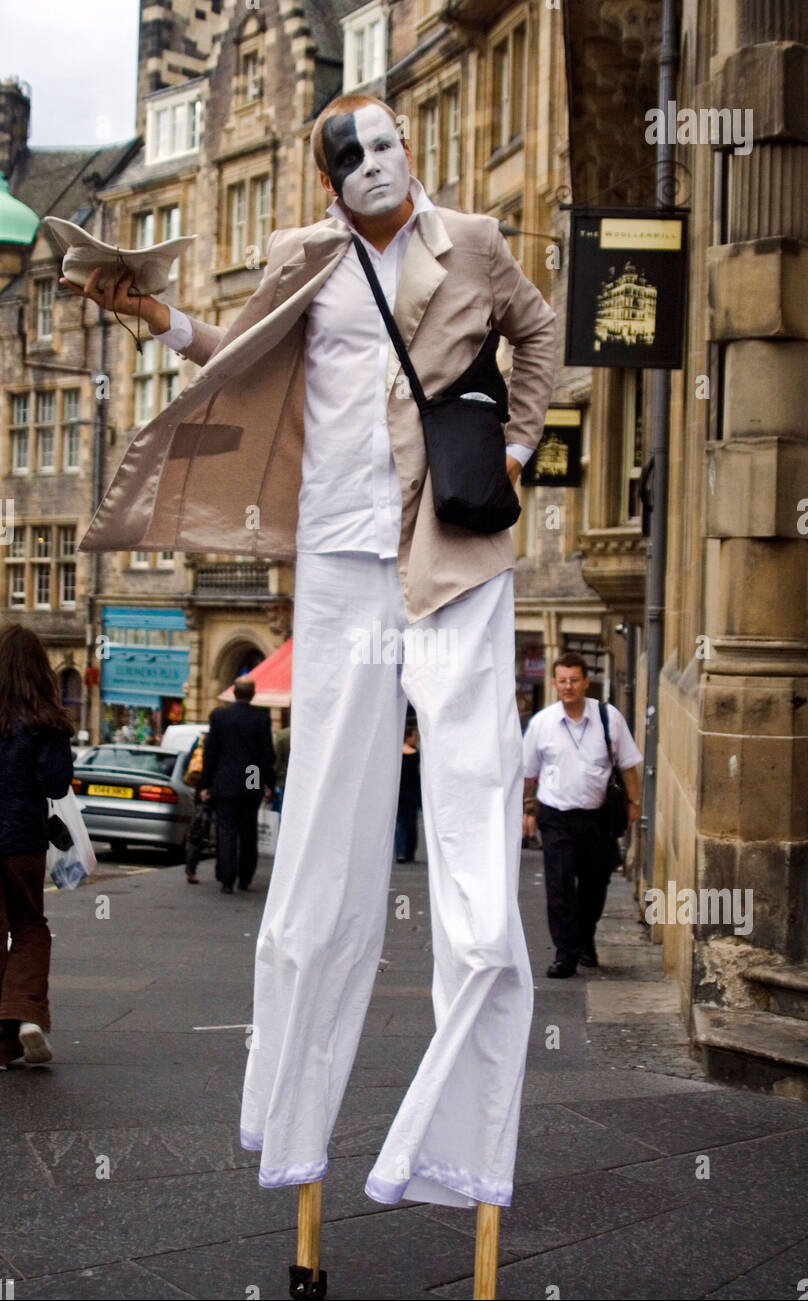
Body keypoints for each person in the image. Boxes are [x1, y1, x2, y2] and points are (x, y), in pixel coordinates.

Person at [69, 92, 556, 1211]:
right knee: (316, 853)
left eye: (385, 142)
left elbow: (536, 334)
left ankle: (457, 1151)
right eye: (349, 154)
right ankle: (293, 1128)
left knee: (476, 839)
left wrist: (519, 441)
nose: (374, 164)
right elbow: (230, 352)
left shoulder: (472, 243)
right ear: (326, 182)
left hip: (454, 548)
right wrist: (153, 314)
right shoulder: (303, 256)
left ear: (409, 150)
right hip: (337, 560)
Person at [522, 651, 643, 978]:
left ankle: (584, 936)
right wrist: (527, 810)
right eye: (562, 681)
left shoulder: (608, 717)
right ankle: (566, 955)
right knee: (559, 886)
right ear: (554, 683)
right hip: (555, 815)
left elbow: (629, 764)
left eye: (574, 680)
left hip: (596, 818)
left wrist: (634, 802)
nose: (568, 686)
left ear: (586, 681)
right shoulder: (542, 724)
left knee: (595, 884)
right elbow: (529, 774)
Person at [0, 624, 74, 1068]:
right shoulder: (47, 721)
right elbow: (55, 783)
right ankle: (25, 1017)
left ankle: (4, 1045)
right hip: (22, 840)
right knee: (29, 926)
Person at [199, 678, 275, 894]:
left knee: (226, 831)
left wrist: (206, 784)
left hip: (224, 781)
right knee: (248, 831)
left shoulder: (219, 716)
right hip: (251, 777)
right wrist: (267, 784)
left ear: (234, 693)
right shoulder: (261, 719)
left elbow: (210, 753)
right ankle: (245, 878)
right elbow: (266, 756)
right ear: (252, 694)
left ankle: (226, 879)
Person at [182, 732, 212, 885]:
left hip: (202, 791)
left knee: (198, 829)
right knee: (226, 831)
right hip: (223, 790)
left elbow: (187, 762)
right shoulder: (236, 737)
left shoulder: (202, 738)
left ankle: (191, 869)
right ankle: (225, 872)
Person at [394, 721, 421, 863]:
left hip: (398, 791)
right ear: (408, 737)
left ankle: (400, 851)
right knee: (411, 823)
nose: (416, 738)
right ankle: (409, 851)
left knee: (400, 823)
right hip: (412, 791)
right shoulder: (415, 753)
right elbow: (419, 773)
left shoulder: (396, 752)